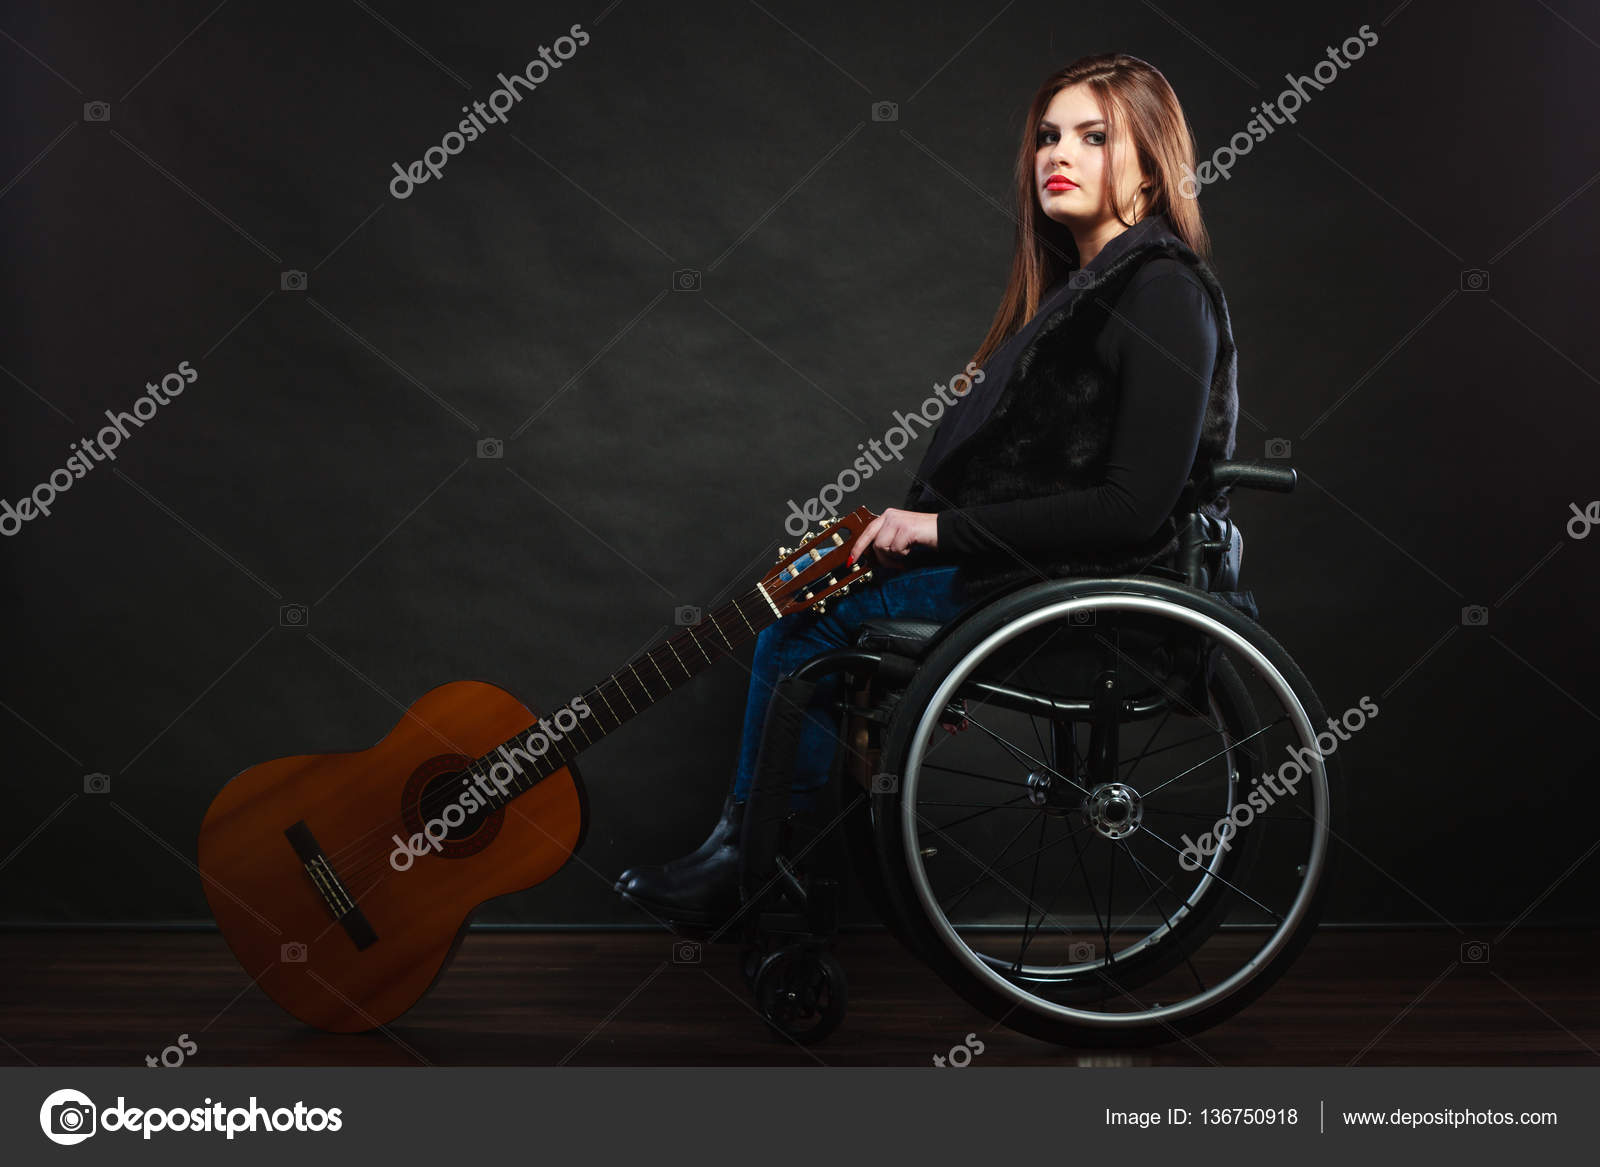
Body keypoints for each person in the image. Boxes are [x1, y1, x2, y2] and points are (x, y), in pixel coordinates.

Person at [614, 52, 1239, 924]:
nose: (1057, 153)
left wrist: (935, 536)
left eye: (1095, 137)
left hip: (1084, 598)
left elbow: (1133, 507)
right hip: (1022, 576)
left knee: (808, 621)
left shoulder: (1163, 289)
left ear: (1152, 160)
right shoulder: (1079, 294)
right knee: (817, 586)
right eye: (1049, 136)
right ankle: (764, 852)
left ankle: (758, 860)